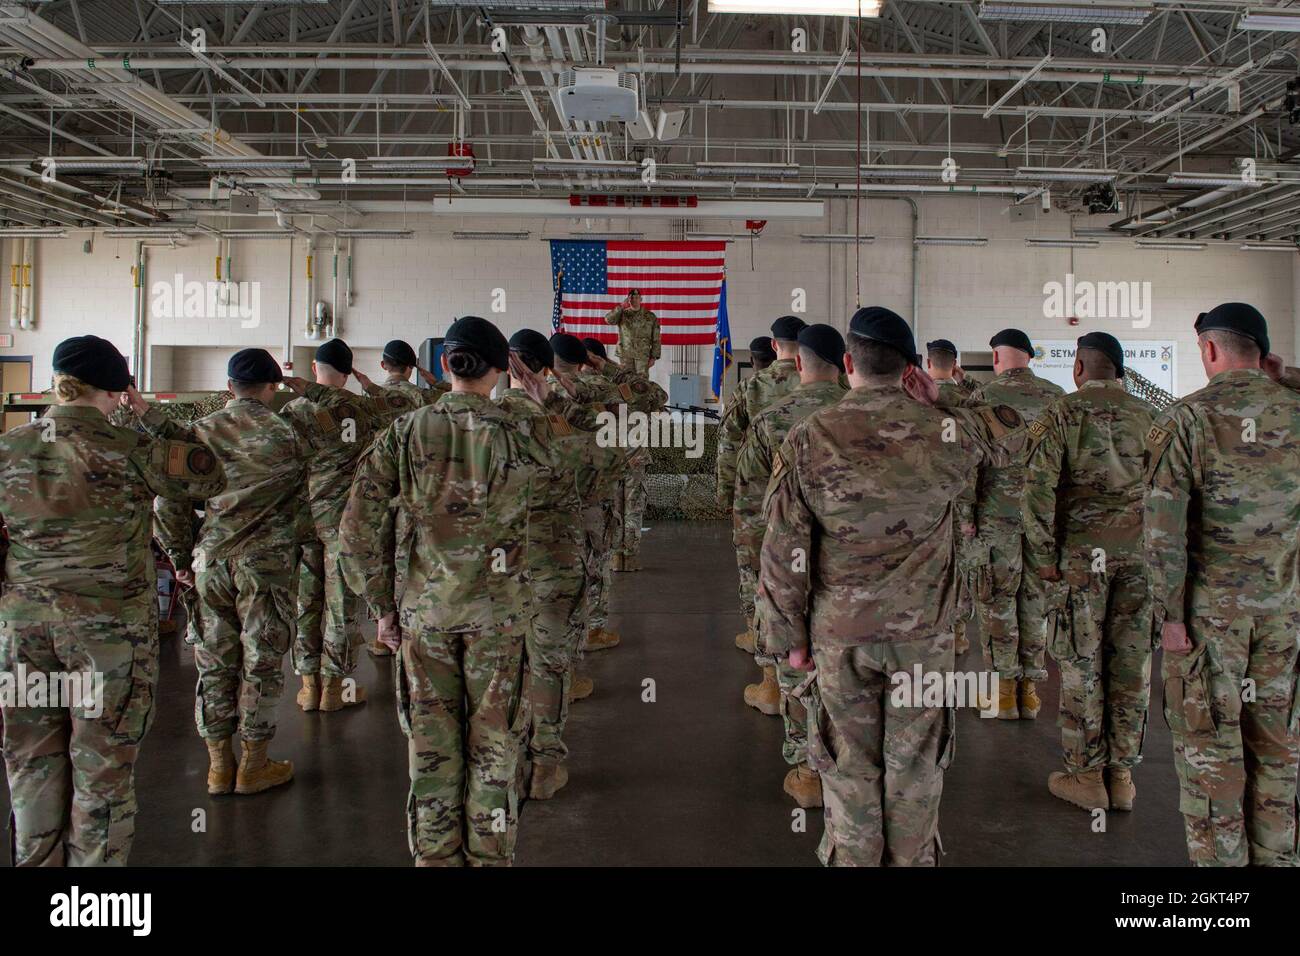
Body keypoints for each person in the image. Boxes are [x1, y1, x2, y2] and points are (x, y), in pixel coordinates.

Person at [757, 307, 1024, 866]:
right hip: (923, 635)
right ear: (910, 370)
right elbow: (1013, 431)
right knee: (917, 767)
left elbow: (783, 548)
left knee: (848, 767)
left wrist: (791, 640)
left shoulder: (809, 436)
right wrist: (941, 400)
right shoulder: (946, 431)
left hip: (840, 635)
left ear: (847, 362)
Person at [0, 335, 225, 865]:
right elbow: (209, 474)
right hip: (107, 635)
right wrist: (151, 417)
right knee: (103, 769)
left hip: (24, 631)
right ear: (119, 388)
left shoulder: (10, 447)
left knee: (30, 762)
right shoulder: (133, 448)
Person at [339, 316, 548, 866]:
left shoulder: (406, 431)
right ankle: (488, 856)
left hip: (425, 616)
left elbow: (356, 529)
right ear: (501, 369)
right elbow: (588, 475)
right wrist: (538, 403)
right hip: (498, 619)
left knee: (431, 751)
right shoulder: (523, 431)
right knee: (495, 750)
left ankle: (434, 857)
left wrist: (382, 606)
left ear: (443, 364)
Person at [1145, 303, 1300, 867]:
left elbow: (1163, 531)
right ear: (1262, 353)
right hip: (1284, 616)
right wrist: (1287, 378)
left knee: (1213, 753)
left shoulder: (1187, 419)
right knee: (1278, 750)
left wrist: (1169, 617)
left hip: (1210, 622)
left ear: (1209, 349)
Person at [148, 348, 318, 796]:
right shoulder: (289, 434)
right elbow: (305, 506)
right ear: (272, 387)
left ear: (229, 388)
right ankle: (254, 766)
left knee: (214, 661)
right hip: (266, 565)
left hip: (211, 562)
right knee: (262, 661)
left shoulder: (197, 433)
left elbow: (169, 500)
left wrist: (179, 558)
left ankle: (218, 767)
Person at [1021, 332, 1155, 812]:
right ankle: (1121, 776)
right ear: (1120, 371)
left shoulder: (1061, 414)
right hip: (1139, 559)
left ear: (1078, 368)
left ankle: (1086, 775)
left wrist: (1044, 556)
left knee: (1082, 664)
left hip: (1079, 562)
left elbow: (1037, 490)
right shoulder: (1150, 416)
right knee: (1131, 665)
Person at [497, 330, 624, 799]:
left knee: (500, 667)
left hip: (493, 569)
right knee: (550, 663)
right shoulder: (560, 425)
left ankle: (502, 765)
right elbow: (617, 451)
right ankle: (545, 768)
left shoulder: (476, 422)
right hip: (555, 561)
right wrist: (556, 403)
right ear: (544, 369)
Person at [734, 324, 847, 809]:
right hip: (857, 578)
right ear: (845, 365)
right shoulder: (869, 417)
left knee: (796, 663)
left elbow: (748, 507)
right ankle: (848, 772)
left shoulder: (772, 420)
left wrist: (755, 570)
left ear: (798, 362)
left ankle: (807, 772)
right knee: (849, 671)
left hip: (789, 563)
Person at [282, 338, 414, 711]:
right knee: (340, 605)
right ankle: (334, 688)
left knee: (306, 601)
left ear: (315, 369)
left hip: (303, 519)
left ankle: (308, 686)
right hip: (344, 523)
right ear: (348, 373)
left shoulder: (292, 411)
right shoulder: (359, 409)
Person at [963, 329, 1065, 719]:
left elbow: (969, 465)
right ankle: (1030, 693)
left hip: (994, 518)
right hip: (1043, 520)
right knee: (1035, 601)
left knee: (996, 601)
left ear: (996, 358)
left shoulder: (982, 399)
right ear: (1029, 357)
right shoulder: (1057, 398)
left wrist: (966, 519)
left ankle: (1003, 693)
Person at [719, 315, 806, 653]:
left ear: (774, 345)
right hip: (812, 497)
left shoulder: (752, 387)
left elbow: (728, 443)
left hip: (757, 495)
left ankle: (761, 648)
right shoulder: (823, 384)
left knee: (755, 568)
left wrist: (726, 492)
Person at [582, 341, 667, 573]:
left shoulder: (579, 386)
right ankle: (627, 557)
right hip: (631, 455)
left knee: (609, 508)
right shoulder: (623, 382)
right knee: (631, 508)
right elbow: (659, 395)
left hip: (604, 459)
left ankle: (609, 557)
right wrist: (613, 369)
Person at [359, 338, 449, 405]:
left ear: (383, 365)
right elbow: (455, 396)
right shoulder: (424, 396)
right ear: (411, 366)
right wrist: (436, 383)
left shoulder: (370, 398)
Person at [603, 288, 661, 373]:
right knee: (627, 378)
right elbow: (608, 320)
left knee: (641, 379)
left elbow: (656, 337)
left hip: (642, 355)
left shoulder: (650, 316)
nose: (634, 300)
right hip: (626, 355)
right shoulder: (622, 314)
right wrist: (621, 306)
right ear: (628, 300)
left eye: (637, 298)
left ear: (641, 299)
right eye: (631, 298)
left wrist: (654, 357)